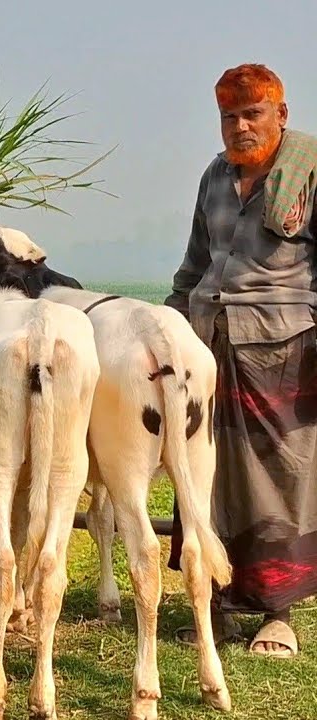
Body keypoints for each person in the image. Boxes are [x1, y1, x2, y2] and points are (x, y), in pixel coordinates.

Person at [166, 63, 317, 658]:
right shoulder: (214, 176)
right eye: (229, 116)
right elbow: (192, 264)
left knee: (279, 478)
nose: (240, 126)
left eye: (252, 114)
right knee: (201, 473)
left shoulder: (309, 172)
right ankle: (218, 601)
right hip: (206, 345)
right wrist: (168, 327)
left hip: (283, 349)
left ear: (281, 114)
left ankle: (277, 614)